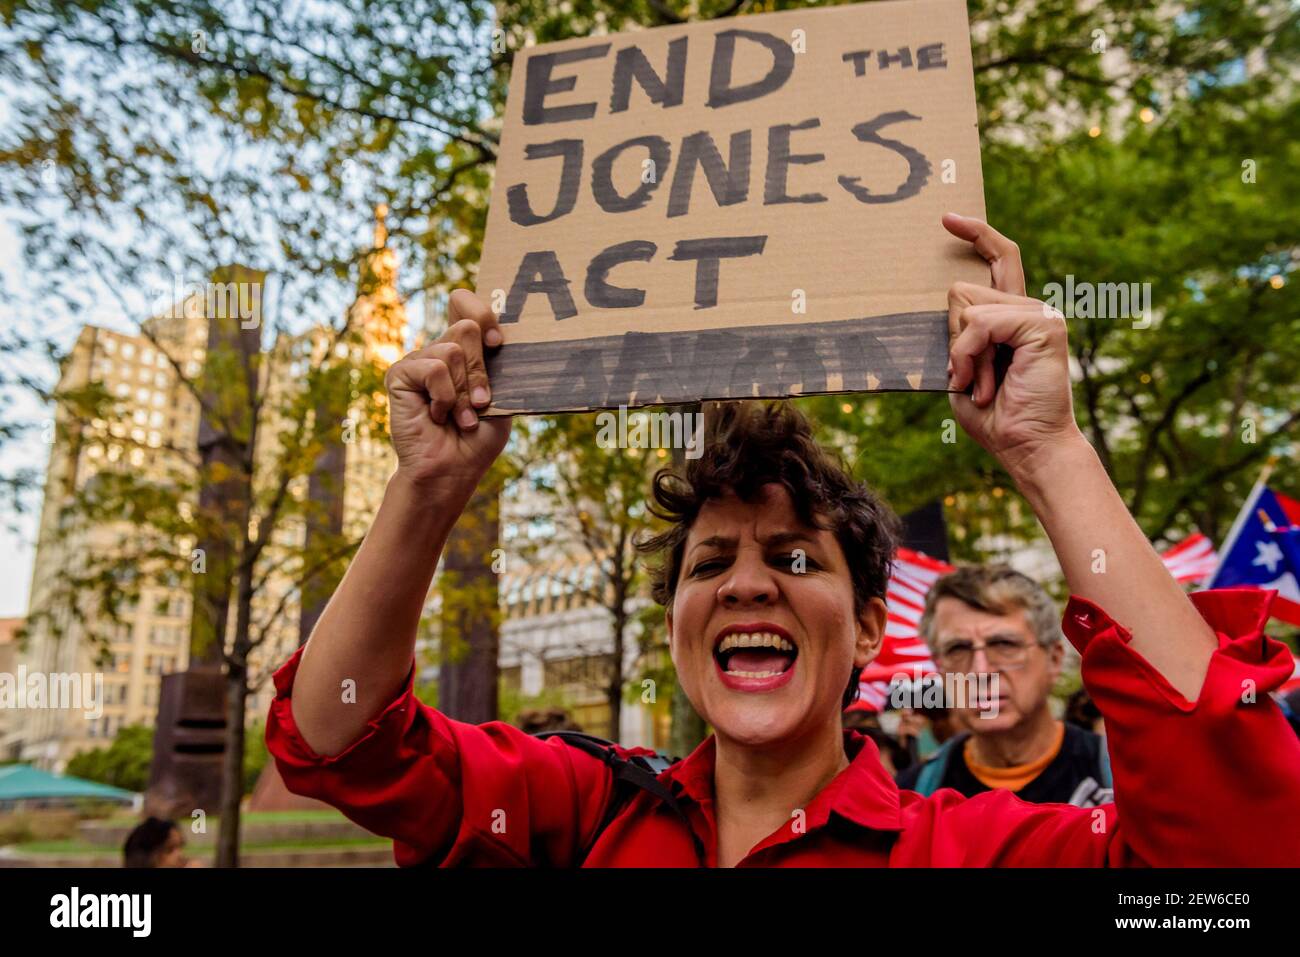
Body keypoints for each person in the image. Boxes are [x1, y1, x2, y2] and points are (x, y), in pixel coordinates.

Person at [265, 215, 1300, 866]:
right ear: (674, 622)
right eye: (710, 563)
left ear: (862, 635)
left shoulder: (970, 846)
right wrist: (426, 488)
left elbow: (1237, 847)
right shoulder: (573, 815)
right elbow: (336, 745)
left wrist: (1049, 448)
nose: (748, 583)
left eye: (796, 559)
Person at [896, 566, 1112, 807]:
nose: (980, 671)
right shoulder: (911, 797)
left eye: (1004, 644)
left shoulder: (1122, 777)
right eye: (957, 649)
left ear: (1054, 659)